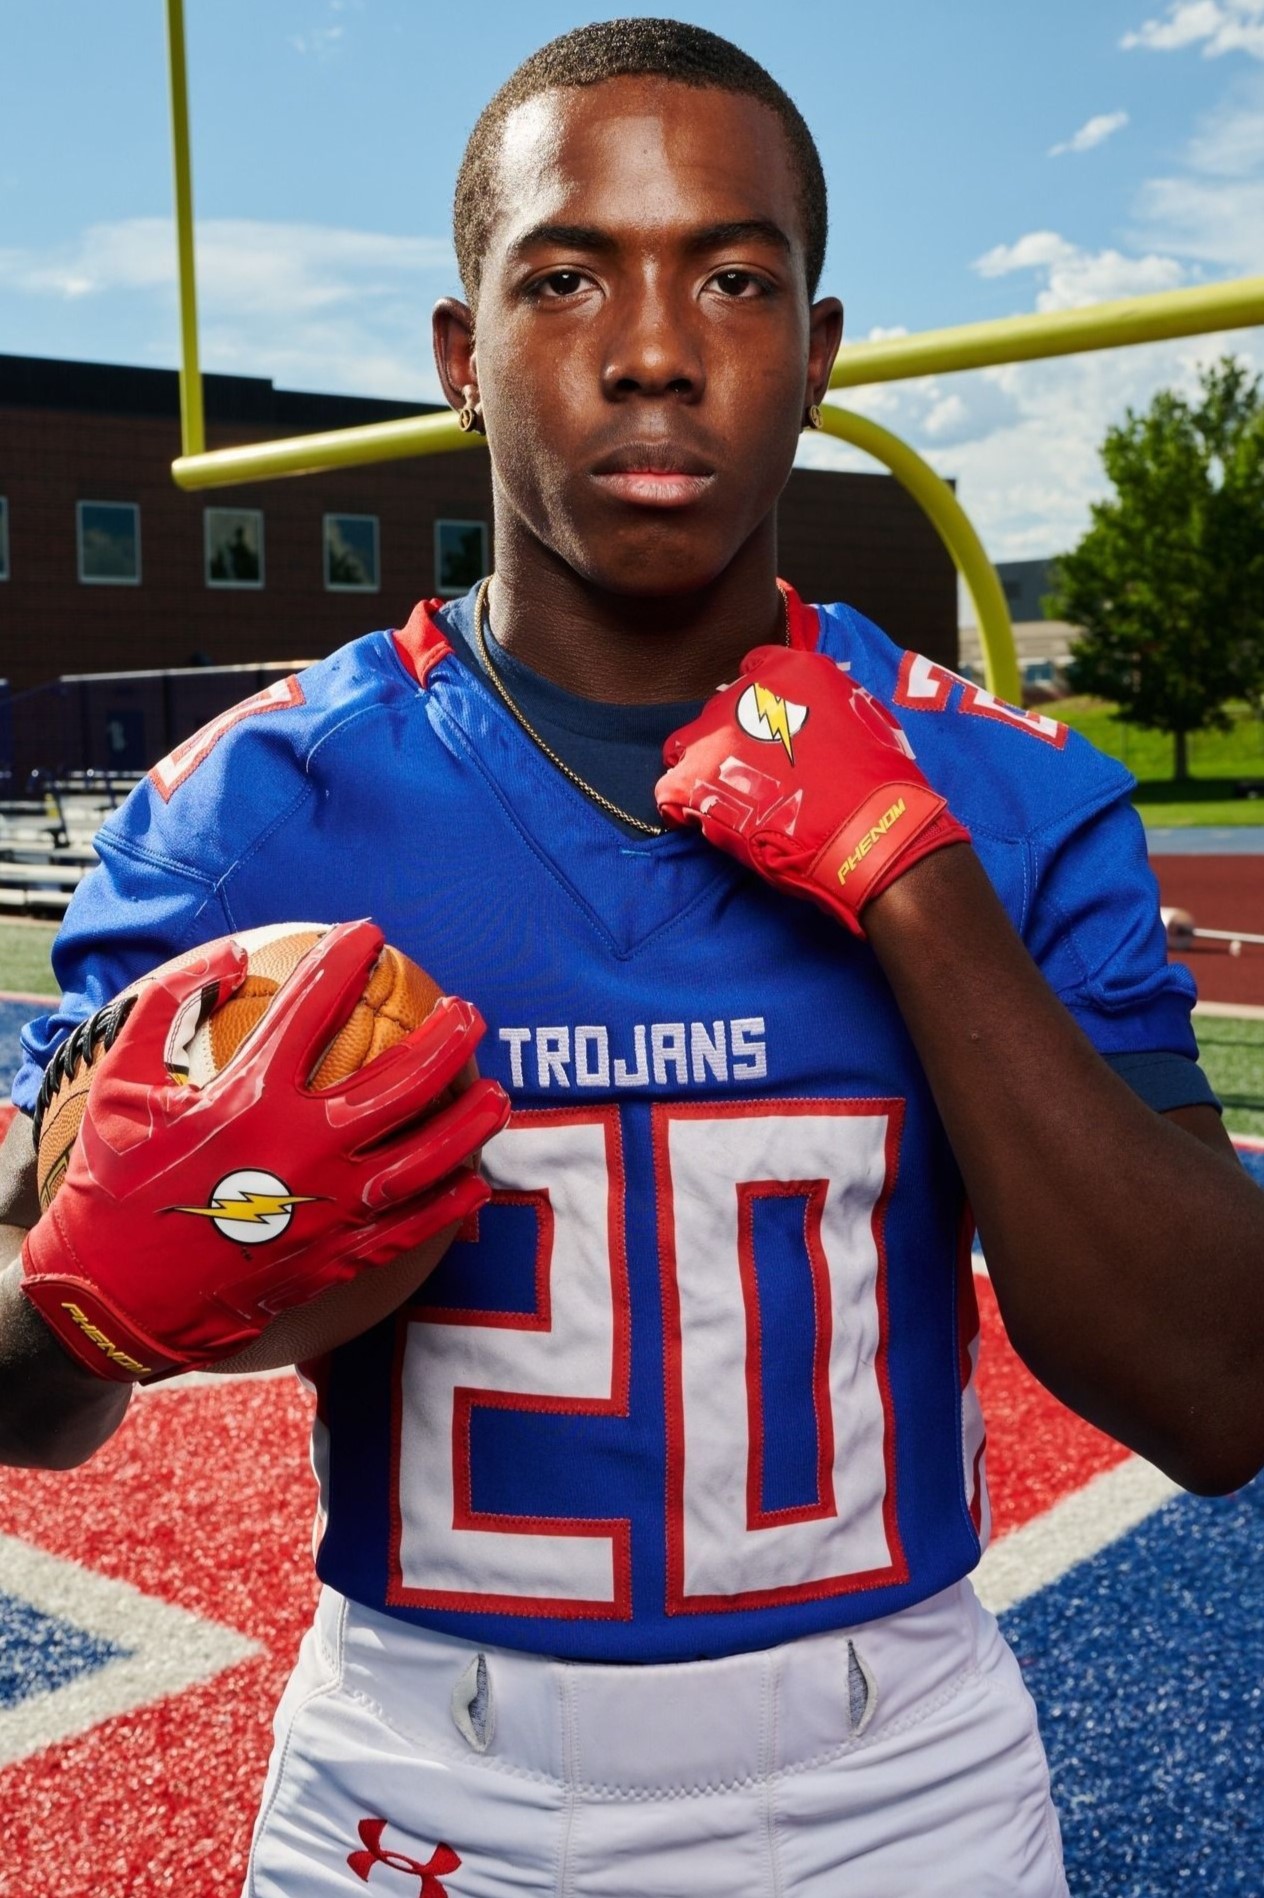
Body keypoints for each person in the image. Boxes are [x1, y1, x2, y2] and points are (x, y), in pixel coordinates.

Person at [2, 19, 1262, 1895]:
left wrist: (912, 884)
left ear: (818, 355)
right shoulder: (250, 814)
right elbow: (22, 1387)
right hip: (420, 1775)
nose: (655, 348)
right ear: (463, 355)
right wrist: (78, 1304)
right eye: (568, 276)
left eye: (733, 279)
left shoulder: (1007, 794)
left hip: (901, 1778)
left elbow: (1220, 1393)